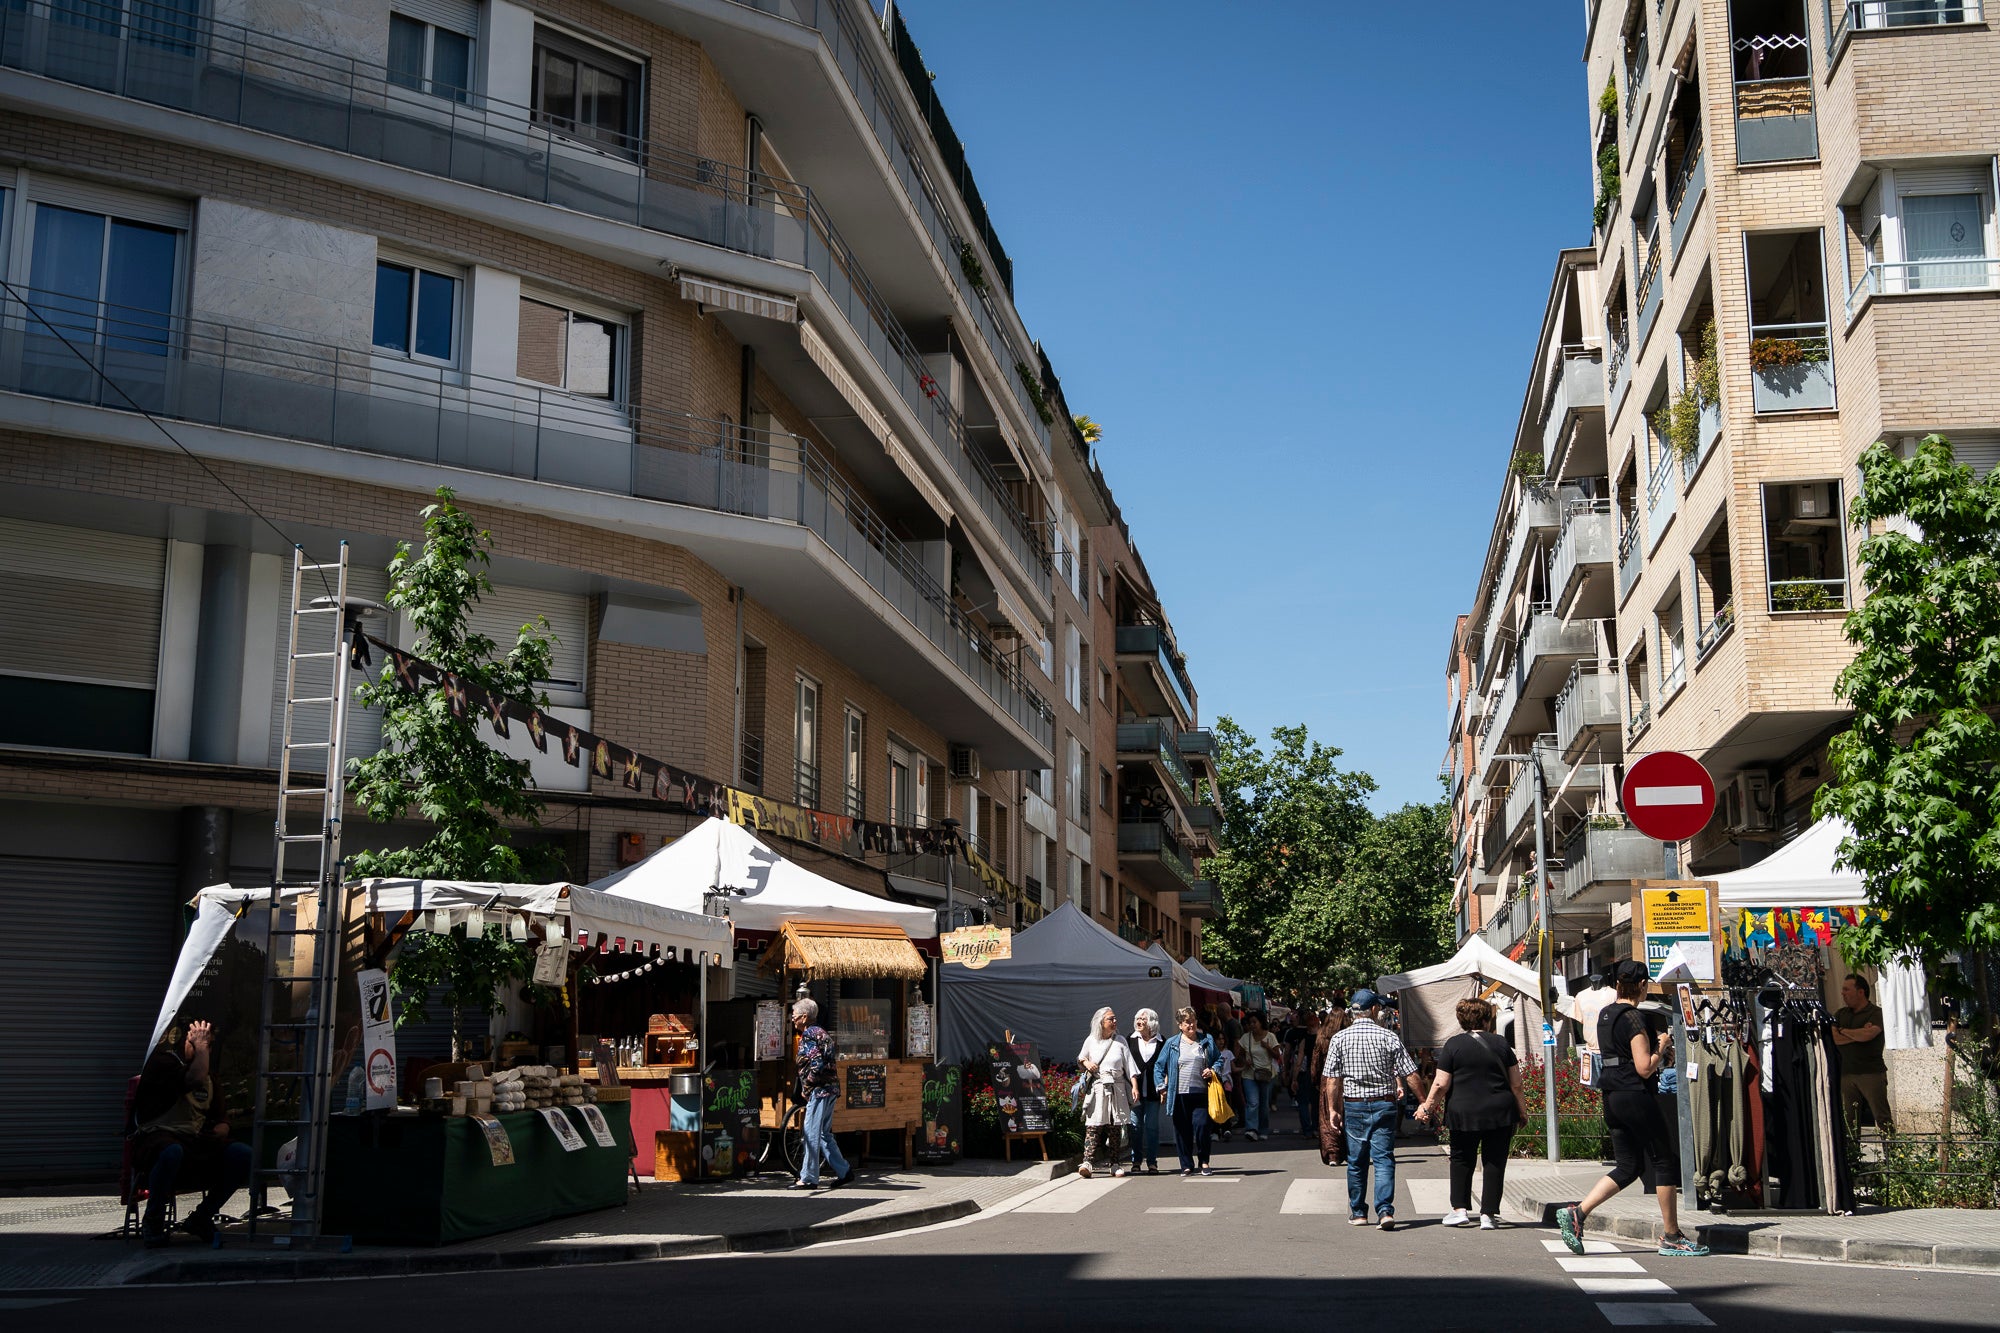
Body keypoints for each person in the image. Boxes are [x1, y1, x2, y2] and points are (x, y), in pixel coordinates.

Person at [1558, 961, 1710, 1257]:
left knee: (1629, 1166)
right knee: (1663, 1161)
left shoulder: (1605, 1015)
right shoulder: (1634, 1018)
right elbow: (1644, 1067)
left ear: (1618, 985)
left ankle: (1579, 1212)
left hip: (1612, 1095)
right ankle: (1671, 1236)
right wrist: (1662, 1045)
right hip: (1635, 1095)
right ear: (1642, 986)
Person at [130, 1019, 252, 1246]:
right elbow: (192, 1078)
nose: (205, 1049)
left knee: (242, 1154)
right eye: (199, 1043)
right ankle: (153, 1220)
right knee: (171, 1151)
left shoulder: (210, 1077)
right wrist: (201, 1048)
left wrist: (222, 1126)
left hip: (194, 1142)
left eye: (208, 1045)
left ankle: (201, 1217)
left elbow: (220, 1115)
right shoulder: (163, 1063)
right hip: (160, 1140)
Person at [1418, 998, 1528, 1230]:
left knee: (1461, 1158)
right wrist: (1522, 1110)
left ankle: (1459, 1210)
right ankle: (1488, 1214)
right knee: (1494, 1160)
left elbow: (1440, 1084)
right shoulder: (1501, 1044)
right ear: (1487, 1019)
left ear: (1461, 1020)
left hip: (1463, 1111)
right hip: (1499, 1110)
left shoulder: (1453, 1045)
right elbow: (1516, 1083)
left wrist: (1428, 1108)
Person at [1322, 988, 1424, 1229]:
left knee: (1356, 1161)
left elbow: (1332, 1080)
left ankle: (1358, 1212)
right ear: (1375, 1009)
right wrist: (1423, 1100)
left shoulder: (1340, 1038)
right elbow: (1410, 1073)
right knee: (1383, 1159)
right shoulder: (1389, 1037)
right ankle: (1385, 1211)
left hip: (1354, 1105)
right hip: (1384, 1104)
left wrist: (1333, 1109)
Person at [790, 998, 853, 1190]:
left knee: (811, 1133)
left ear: (804, 1016)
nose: (792, 1018)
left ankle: (808, 1178)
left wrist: (807, 1086)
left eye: (794, 1015)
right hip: (831, 1089)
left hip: (819, 1091)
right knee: (824, 1133)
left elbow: (816, 1064)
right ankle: (844, 1171)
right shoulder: (821, 1032)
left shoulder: (809, 1035)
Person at [1154, 1006, 1220, 1176]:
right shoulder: (1172, 1043)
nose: (1191, 1025)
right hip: (1179, 1093)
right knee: (1182, 1130)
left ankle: (1204, 1161)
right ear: (1180, 1025)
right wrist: (1161, 1087)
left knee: (1202, 1127)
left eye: (1193, 1021)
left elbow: (1218, 1059)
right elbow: (1159, 1066)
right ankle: (1186, 1165)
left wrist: (1212, 1070)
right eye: (1187, 1022)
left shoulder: (1206, 1040)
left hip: (1201, 1092)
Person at [1076, 1006, 1137, 1179]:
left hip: (1116, 1087)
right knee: (1093, 1125)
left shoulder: (1120, 1041)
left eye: (1115, 1018)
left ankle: (1115, 1163)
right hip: (1098, 1087)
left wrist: (1134, 1086)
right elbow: (1081, 1058)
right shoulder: (1091, 1040)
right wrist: (1087, 1063)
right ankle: (1087, 1161)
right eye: (1111, 1019)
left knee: (1114, 1127)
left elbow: (1130, 1066)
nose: (1114, 1021)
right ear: (1101, 1023)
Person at [1832, 973, 1891, 1133]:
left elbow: (1868, 1035)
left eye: (1846, 989)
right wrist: (1856, 1034)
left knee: (1882, 1118)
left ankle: (1892, 1156)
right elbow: (1835, 1038)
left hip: (1871, 1073)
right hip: (1846, 1074)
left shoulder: (1876, 1013)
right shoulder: (1840, 1014)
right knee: (1849, 1120)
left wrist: (1844, 1031)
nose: (1843, 993)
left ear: (1860, 992)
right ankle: (1853, 1157)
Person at [1127, 1009, 1165, 1174]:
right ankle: (1136, 1161)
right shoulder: (1129, 1039)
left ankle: (1152, 1162)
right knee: (1135, 1126)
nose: (1139, 1021)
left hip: (1153, 1091)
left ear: (1152, 1022)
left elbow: (1166, 1066)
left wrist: (1165, 1086)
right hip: (1134, 1090)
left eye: (1143, 1018)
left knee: (1152, 1127)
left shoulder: (1162, 1041)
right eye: (1137, 1018)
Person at [1236, 1011, 1283, 1142]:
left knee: (1264, 1104)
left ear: (1261, 1022)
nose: (1252, 1025)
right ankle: (1251, 1129)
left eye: (1254, 1022)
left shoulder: (1270, 1037)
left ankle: (1263, 1129)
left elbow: (1277, 1056)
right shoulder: (1246, 1037)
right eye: (1250, 1023)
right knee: (1253, 1102)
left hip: (1266, 1074)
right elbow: (1238, 1054)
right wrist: (1245, 1061)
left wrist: (1268, 1047)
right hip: (1249, 1074)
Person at [1284, 1011, 1321, 1138]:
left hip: (1307, 1074)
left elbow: (1299, 1061)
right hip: (1320, 1074)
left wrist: (1294, 1078)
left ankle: (1307, 1129)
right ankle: (1316, 1128)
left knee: (1303, 1102)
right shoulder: (1324, 1039)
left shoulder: (1305, 1041)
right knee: (1316, 1103)